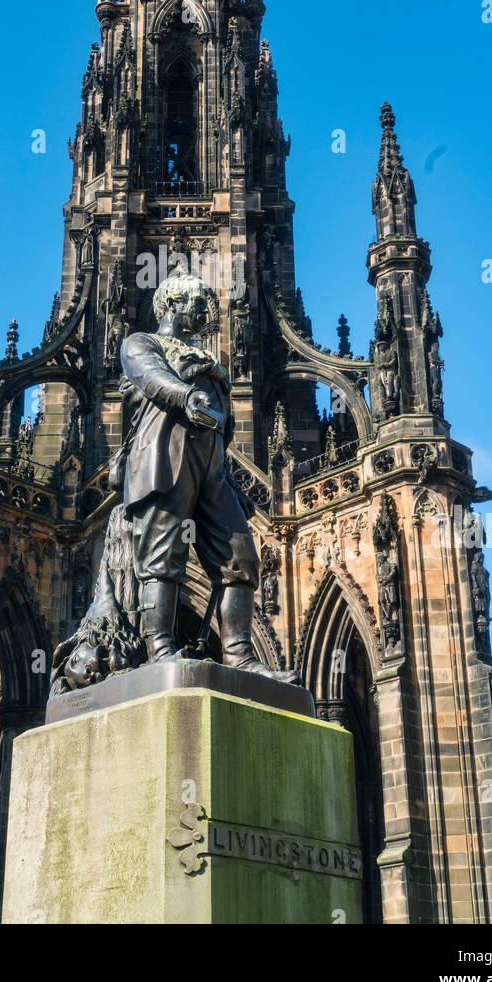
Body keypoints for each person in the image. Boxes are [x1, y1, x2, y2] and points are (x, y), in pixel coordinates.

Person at [119, 272, 298, 683]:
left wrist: (233, 483)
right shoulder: (142, 343)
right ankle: (160, 650)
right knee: (162, 560)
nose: (207, 312)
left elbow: (220, 435)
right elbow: (149, 377)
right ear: (173, 305)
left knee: (241, 558)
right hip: (164, 463)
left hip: (212, 473)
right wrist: (186, 394)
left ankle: (239, 654)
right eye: (199, 303)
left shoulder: (209, 362)